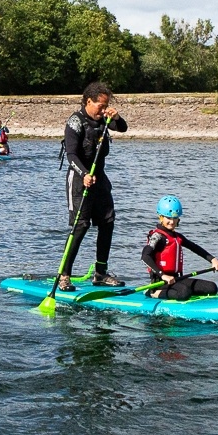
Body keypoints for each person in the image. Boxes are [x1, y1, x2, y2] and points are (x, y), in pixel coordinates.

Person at [57, 82, 129, 290]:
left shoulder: (105, 120)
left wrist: (115, 117)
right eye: (101, 105)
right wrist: (84, 174)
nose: (103, 110)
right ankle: (64, 275)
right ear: (89, 101)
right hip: (79, 178)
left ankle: (100, 273)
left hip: (100, 178)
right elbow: (71, 155)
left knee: (108, 221)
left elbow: (122, 128)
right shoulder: (75, 122)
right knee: (81, 226)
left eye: (106, 105)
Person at [141, 195, 218, 299]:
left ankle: (178, 292)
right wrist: (163, 275)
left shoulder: (177, 237)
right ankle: (152, 293)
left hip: (177, 279)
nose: (172, 221)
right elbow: (145, 256)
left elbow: (195, 248)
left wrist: (213, 260)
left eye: (175, 218)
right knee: (184, 292)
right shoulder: (157, 236)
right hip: (161, 281)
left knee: (212, 288)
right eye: (168, 218)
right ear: (161, 217)